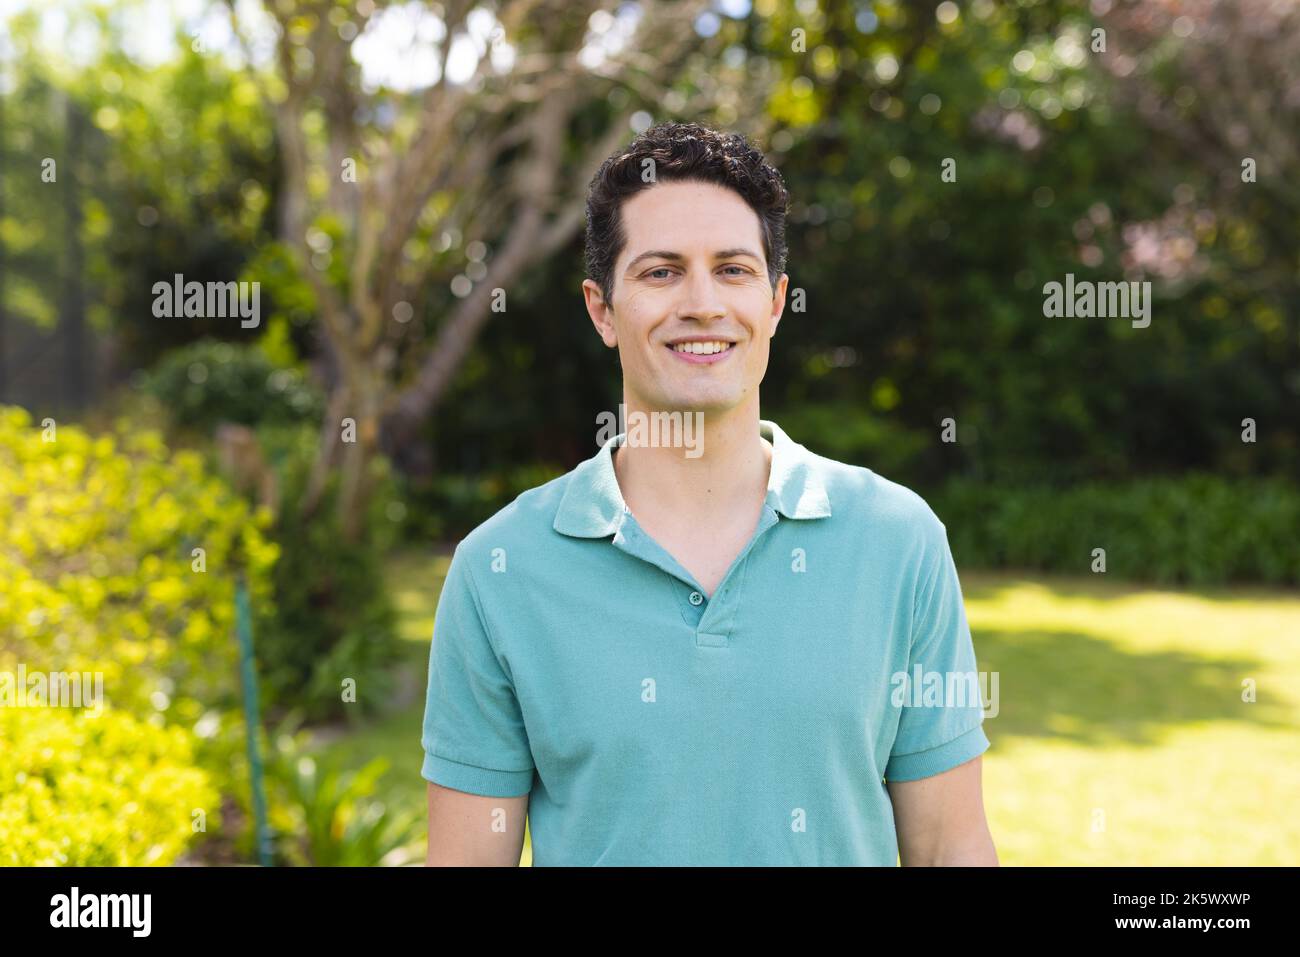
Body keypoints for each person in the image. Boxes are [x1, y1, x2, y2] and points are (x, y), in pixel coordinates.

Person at [423, 121, 996, 866]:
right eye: (661, 272)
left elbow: (949, 845)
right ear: (602, 309)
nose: (701, 303)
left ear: (775, 302)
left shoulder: (898, 540)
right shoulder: (498, 569)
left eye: (732, 269)